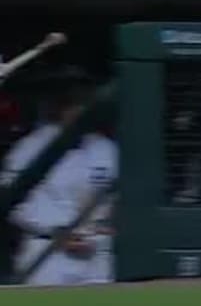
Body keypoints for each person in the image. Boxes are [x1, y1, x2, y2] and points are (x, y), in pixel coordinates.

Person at [3, 68, 116, 286]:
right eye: (75, 104)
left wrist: (113, 221)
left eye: (86, 104)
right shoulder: (29, 149)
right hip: (47, 253)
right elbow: (12, 203)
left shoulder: (106, 148)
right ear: (60, 107)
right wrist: (54, 230)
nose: (81, 111)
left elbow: (120, 196)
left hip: (96, 251)